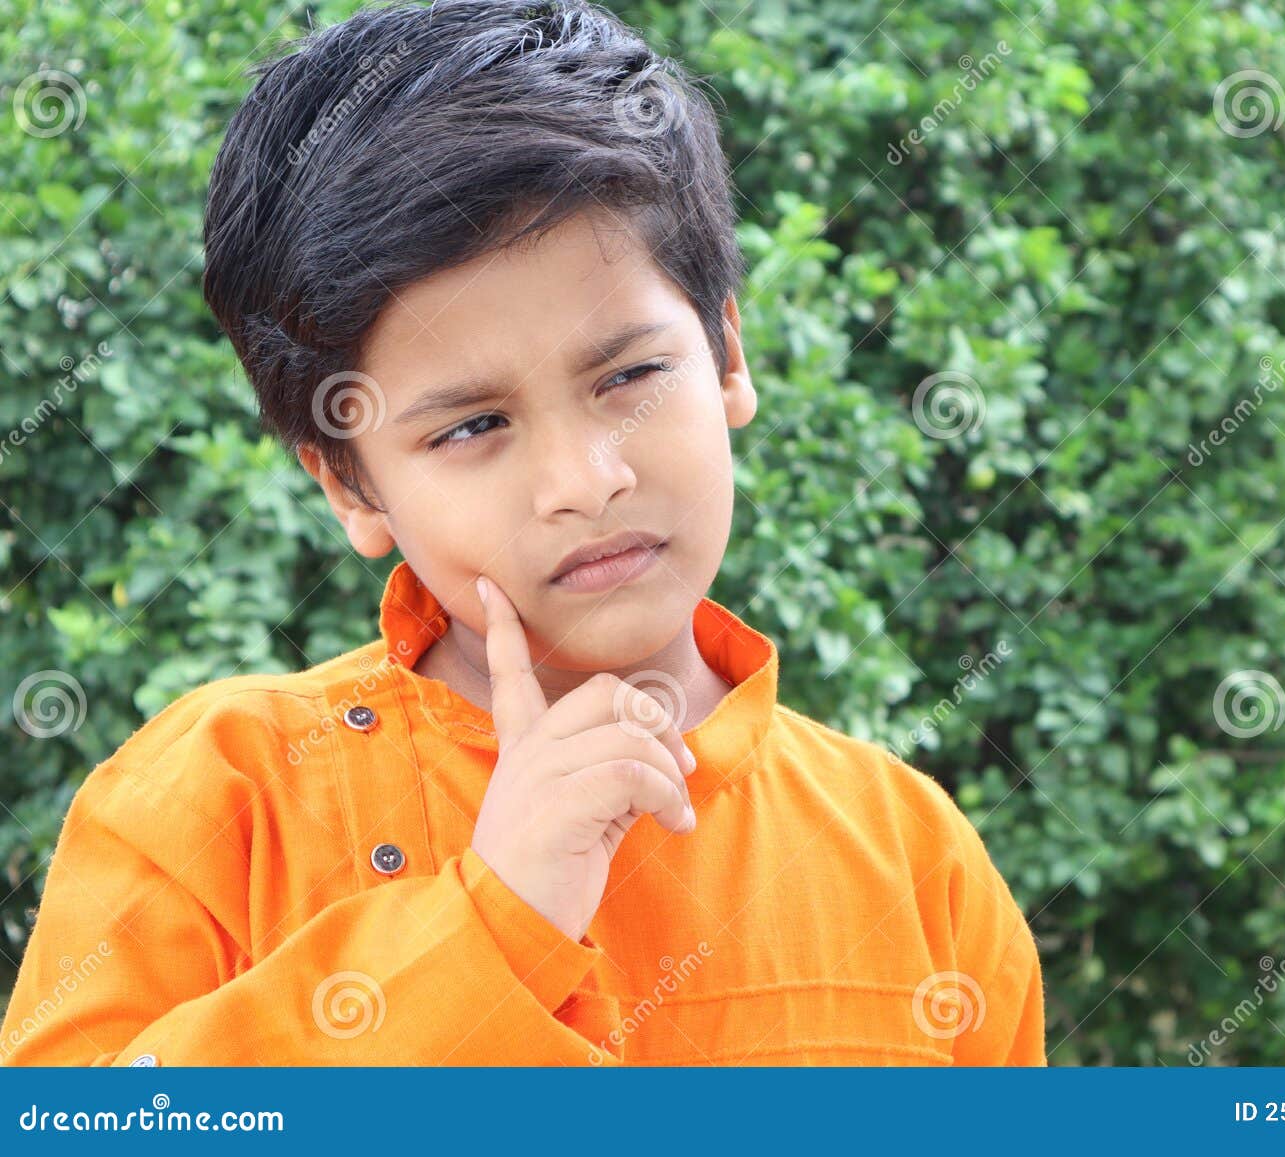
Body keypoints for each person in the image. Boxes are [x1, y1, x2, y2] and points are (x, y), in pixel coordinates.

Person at [0, 0, 1044, 1066]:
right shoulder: (220, 800)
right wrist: (490, 931)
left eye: (629, 375)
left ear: (727, 354)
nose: (586, 480)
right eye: (473, 426)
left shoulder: (909, 859)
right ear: (351, 483)